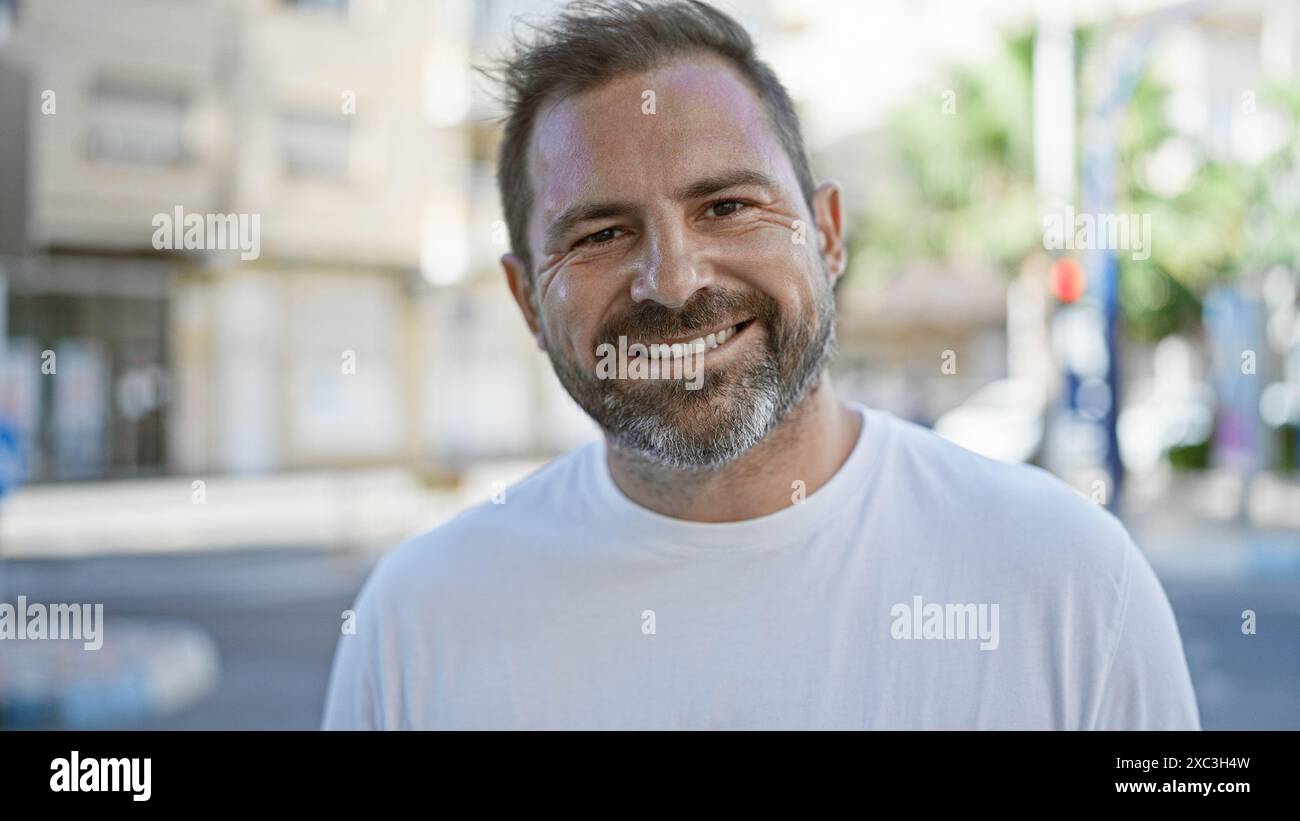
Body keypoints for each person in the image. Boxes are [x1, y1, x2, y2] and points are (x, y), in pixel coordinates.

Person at [322, 0, 1200, 730]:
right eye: (600, 234)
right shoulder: (417, 620)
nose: (672, 282)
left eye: (727, 205)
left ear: (826, 233)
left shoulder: (1073, 579)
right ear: (524, 302)